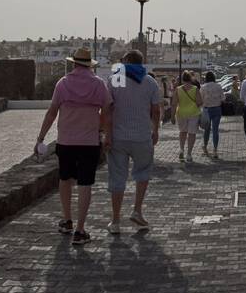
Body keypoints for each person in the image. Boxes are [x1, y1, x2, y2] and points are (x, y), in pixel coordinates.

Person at [35, 47, 110, 245]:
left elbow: (52, 112)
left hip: (66, 140)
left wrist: (40, 137)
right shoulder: (99, 84)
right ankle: (80, 229)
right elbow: (107, 110)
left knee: (65, 178)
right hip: (88, 142)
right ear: (89, 64)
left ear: (74, 63)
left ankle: (67, 219)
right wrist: (102, 131)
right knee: (85, 184)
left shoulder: (63, 83)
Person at [105, 49, 161, 234]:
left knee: (117, 178)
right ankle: (137, 210)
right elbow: (156, 110)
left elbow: (107, 110)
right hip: (142, 136)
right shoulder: (150, 81)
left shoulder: (115, 80)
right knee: (142, 173)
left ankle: (115, 221)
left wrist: (107, 134)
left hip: (118, 137)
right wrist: (156, 130)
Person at [172, 71, 202, 162]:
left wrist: (172, 116)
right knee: (192, 133)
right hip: (193, 113)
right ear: (190, 79)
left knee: (182, 132)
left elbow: (174, 104)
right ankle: (189, 154)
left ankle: (181, 149)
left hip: (181, 113)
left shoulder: (178, 89)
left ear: (182, 79)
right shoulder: (195, 88)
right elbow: (200, 102)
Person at [199, 71, 224, 158]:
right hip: (217, 109)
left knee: (207, 129)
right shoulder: (218, 86)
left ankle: (205, 147)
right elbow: (223, 98)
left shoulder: (203, 87)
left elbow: (200, 99)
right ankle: (215, 150)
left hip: (207, 110)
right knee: (215, 130)